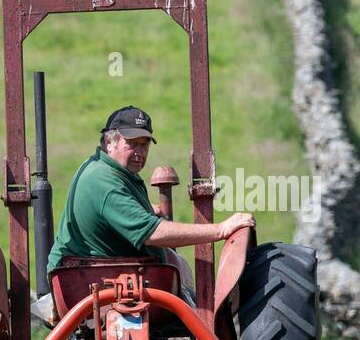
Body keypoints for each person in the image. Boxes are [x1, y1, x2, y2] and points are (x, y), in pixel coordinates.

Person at [46, 106, 255, 295]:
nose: (139, 153)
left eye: (144, 144)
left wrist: (138, 212)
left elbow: (115, 215)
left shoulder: (113, 171)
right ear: (109, 143)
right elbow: (151, 232)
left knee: (178, 268)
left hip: (108, 277)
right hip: (92, 285)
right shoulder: (102, 181)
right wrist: (220, 230)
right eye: (132, 144)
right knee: (187, 296)